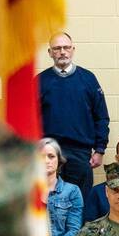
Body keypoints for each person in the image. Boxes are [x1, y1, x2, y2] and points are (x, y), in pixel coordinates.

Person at [38, 32, 109, 195]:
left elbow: (101, 117)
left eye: (66, 47)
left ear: (73, 50)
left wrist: (100, 149)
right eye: (57, 48)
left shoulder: (88, 79)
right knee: (47, 202)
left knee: (80, 203)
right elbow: (30, 119)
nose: (62, 52)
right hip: (48, 153)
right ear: (50, 53)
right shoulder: (40, 81)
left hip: (80, 153)